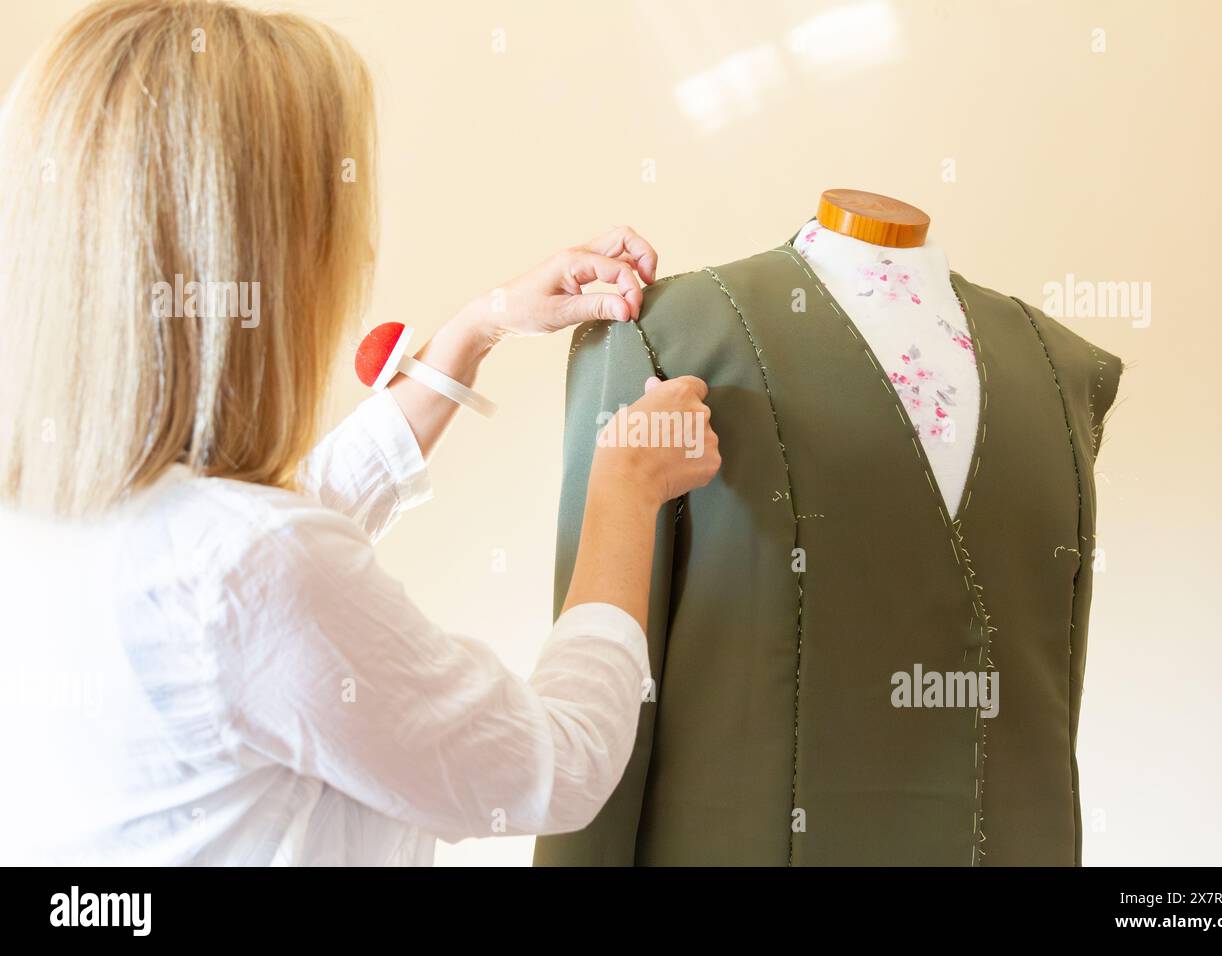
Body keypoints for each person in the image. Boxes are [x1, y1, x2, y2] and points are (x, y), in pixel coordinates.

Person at [0, 0, 719, 865]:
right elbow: (556, 765)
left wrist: (475, 329)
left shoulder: (58, 516)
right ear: (263, 260)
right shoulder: (250, 569)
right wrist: (626, 492)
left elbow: (261, 544)